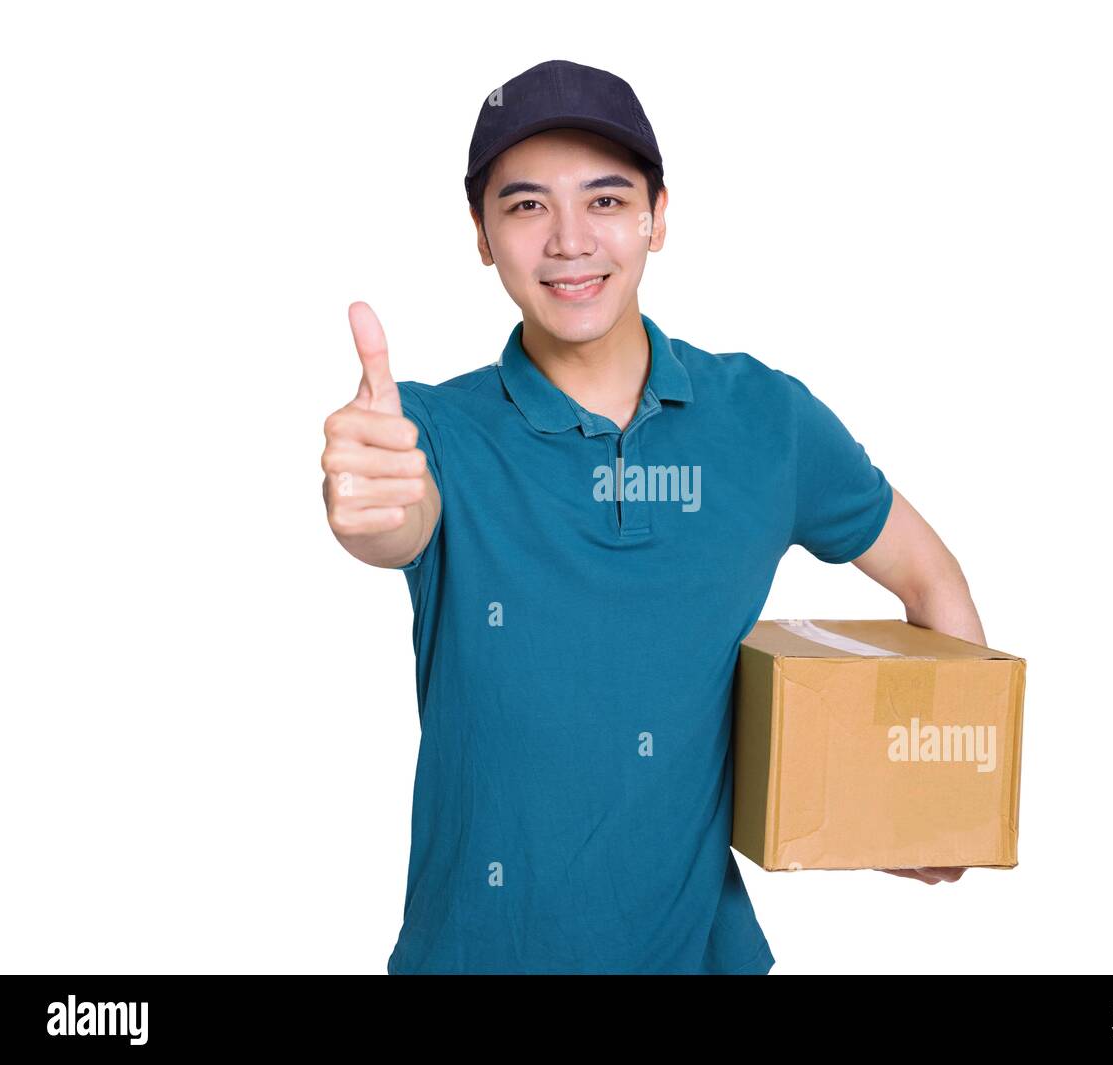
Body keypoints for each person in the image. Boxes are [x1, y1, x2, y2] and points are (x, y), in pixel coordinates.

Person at [320, 59, 985, 975]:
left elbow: (928, 572)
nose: (568, 241)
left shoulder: (767, 420)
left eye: (604, 200)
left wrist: (943, 798)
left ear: (657, 216)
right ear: (481, 233)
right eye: (525, 207)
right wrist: (373, 507)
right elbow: (394, 521)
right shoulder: (432, 430)